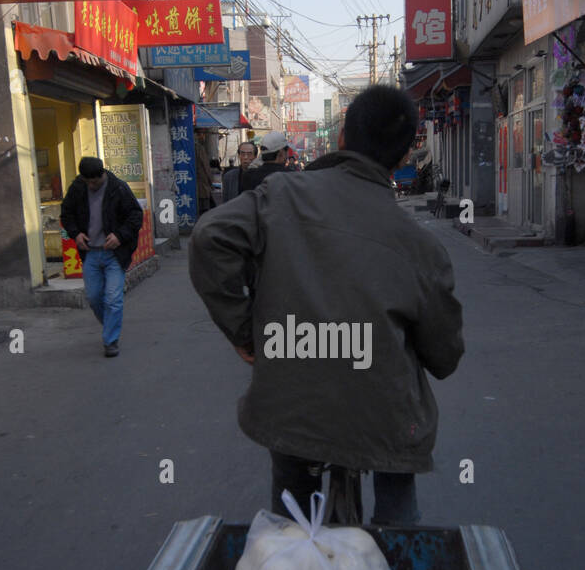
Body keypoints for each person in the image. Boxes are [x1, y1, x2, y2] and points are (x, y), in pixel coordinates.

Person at [188, 84, 464, 525]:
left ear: (339, 141)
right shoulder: (421, 247)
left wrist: (244, 332)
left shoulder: (279, 195)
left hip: (292, 406)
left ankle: (293, 554)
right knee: (396, 484)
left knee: (294, 508)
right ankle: (397, 559)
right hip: (384, 417)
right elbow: (445, 357)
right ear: (403, 157)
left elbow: (208, 237)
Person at [60, 157, 144, 357]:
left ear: (102, 174)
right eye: (87, 181)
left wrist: (119, 236)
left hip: (114, 253)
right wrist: (75, 233)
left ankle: (110, 340)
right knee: (94, 297)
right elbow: (66, 214)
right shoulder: (77, 188)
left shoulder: (118, 188)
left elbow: (135, 216)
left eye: (94, 182)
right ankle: (110, 325)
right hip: (90, 253)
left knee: (113, 299)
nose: (91, 185)